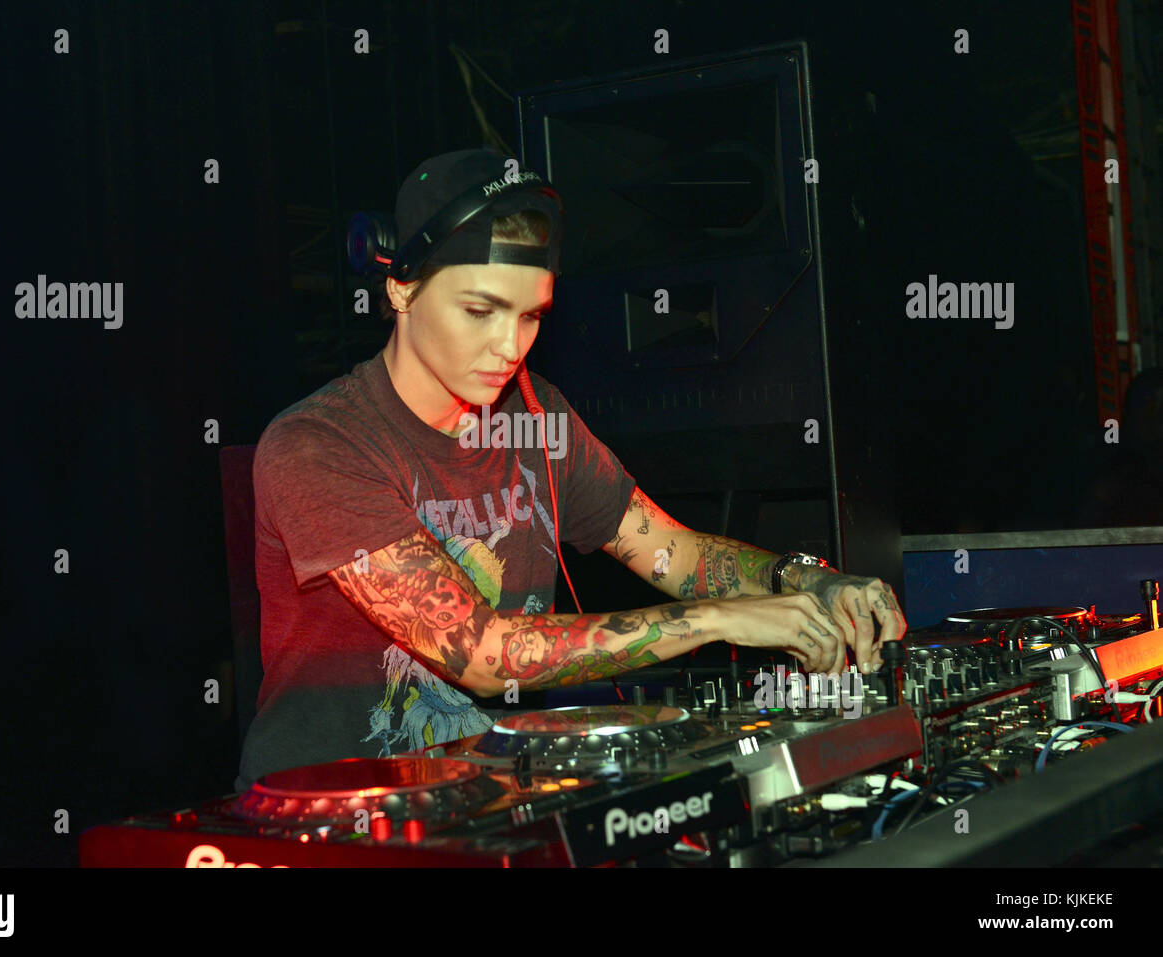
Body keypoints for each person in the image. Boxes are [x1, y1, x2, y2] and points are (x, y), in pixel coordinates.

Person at [237, 147, 907, 789]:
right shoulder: (317, 446)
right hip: (334, 813)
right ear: (400, 288)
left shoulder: (537, 417)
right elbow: (480, 652)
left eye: (531, 315)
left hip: (485, 794)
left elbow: (675, 552)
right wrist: (718, 620)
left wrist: (807, 578)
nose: (510, 344)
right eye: (480, 310)